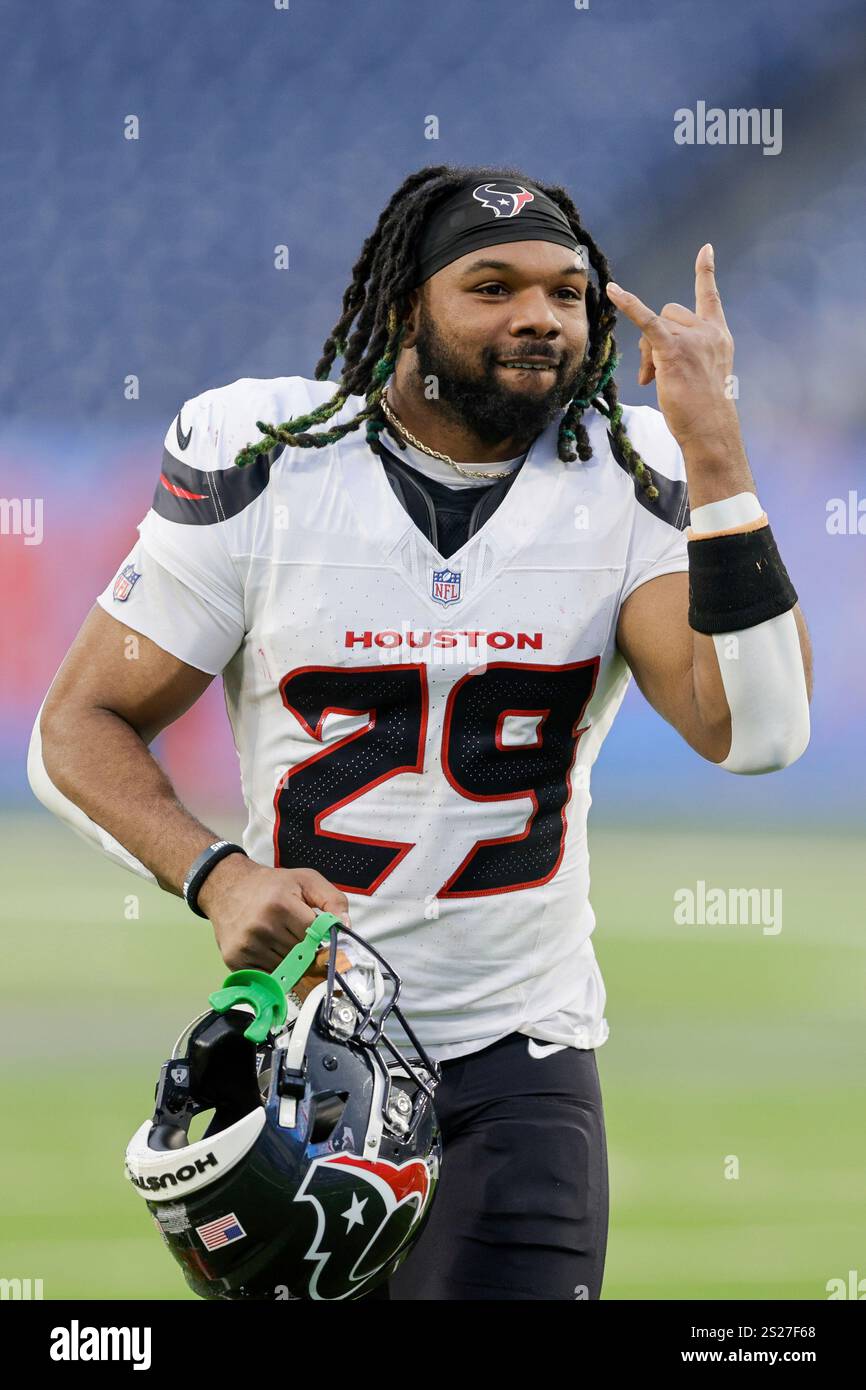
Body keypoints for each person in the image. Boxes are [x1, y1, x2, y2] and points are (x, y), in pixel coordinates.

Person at [28, 163, 812, 1301]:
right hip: (303, 1059)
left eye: (564, 291)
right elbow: (76, 726)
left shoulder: (629, 471)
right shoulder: (269, 460)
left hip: (520, 1056)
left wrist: (720, 458)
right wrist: (217, 875)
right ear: (407, 306)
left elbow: (759, 735)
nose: (538, 316)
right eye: (491, 286)